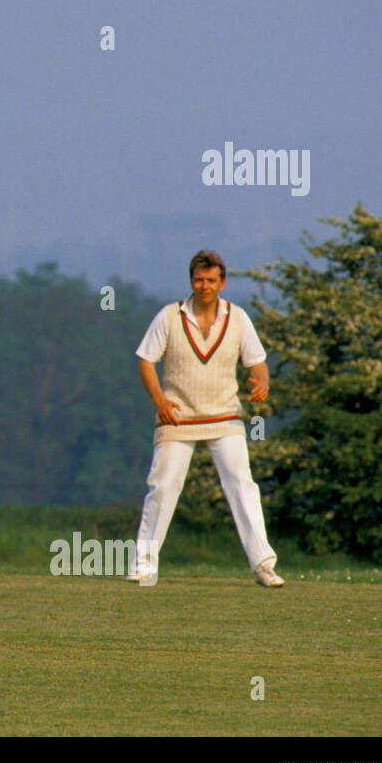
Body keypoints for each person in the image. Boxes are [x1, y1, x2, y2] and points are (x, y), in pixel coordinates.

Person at [128, 250, 284, 587]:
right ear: (191, 281)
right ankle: (143, 565)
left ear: (222, 283)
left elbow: (256, 361)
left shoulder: (238, 318)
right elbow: (145, 361)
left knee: (242, 485)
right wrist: (160, 402)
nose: (204, 286)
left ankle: (263, 565)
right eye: (199, 280)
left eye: (211, 280)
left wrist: (262, 383)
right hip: (177, 417)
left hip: (224, 416)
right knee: (163, 487)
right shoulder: (169, 317)